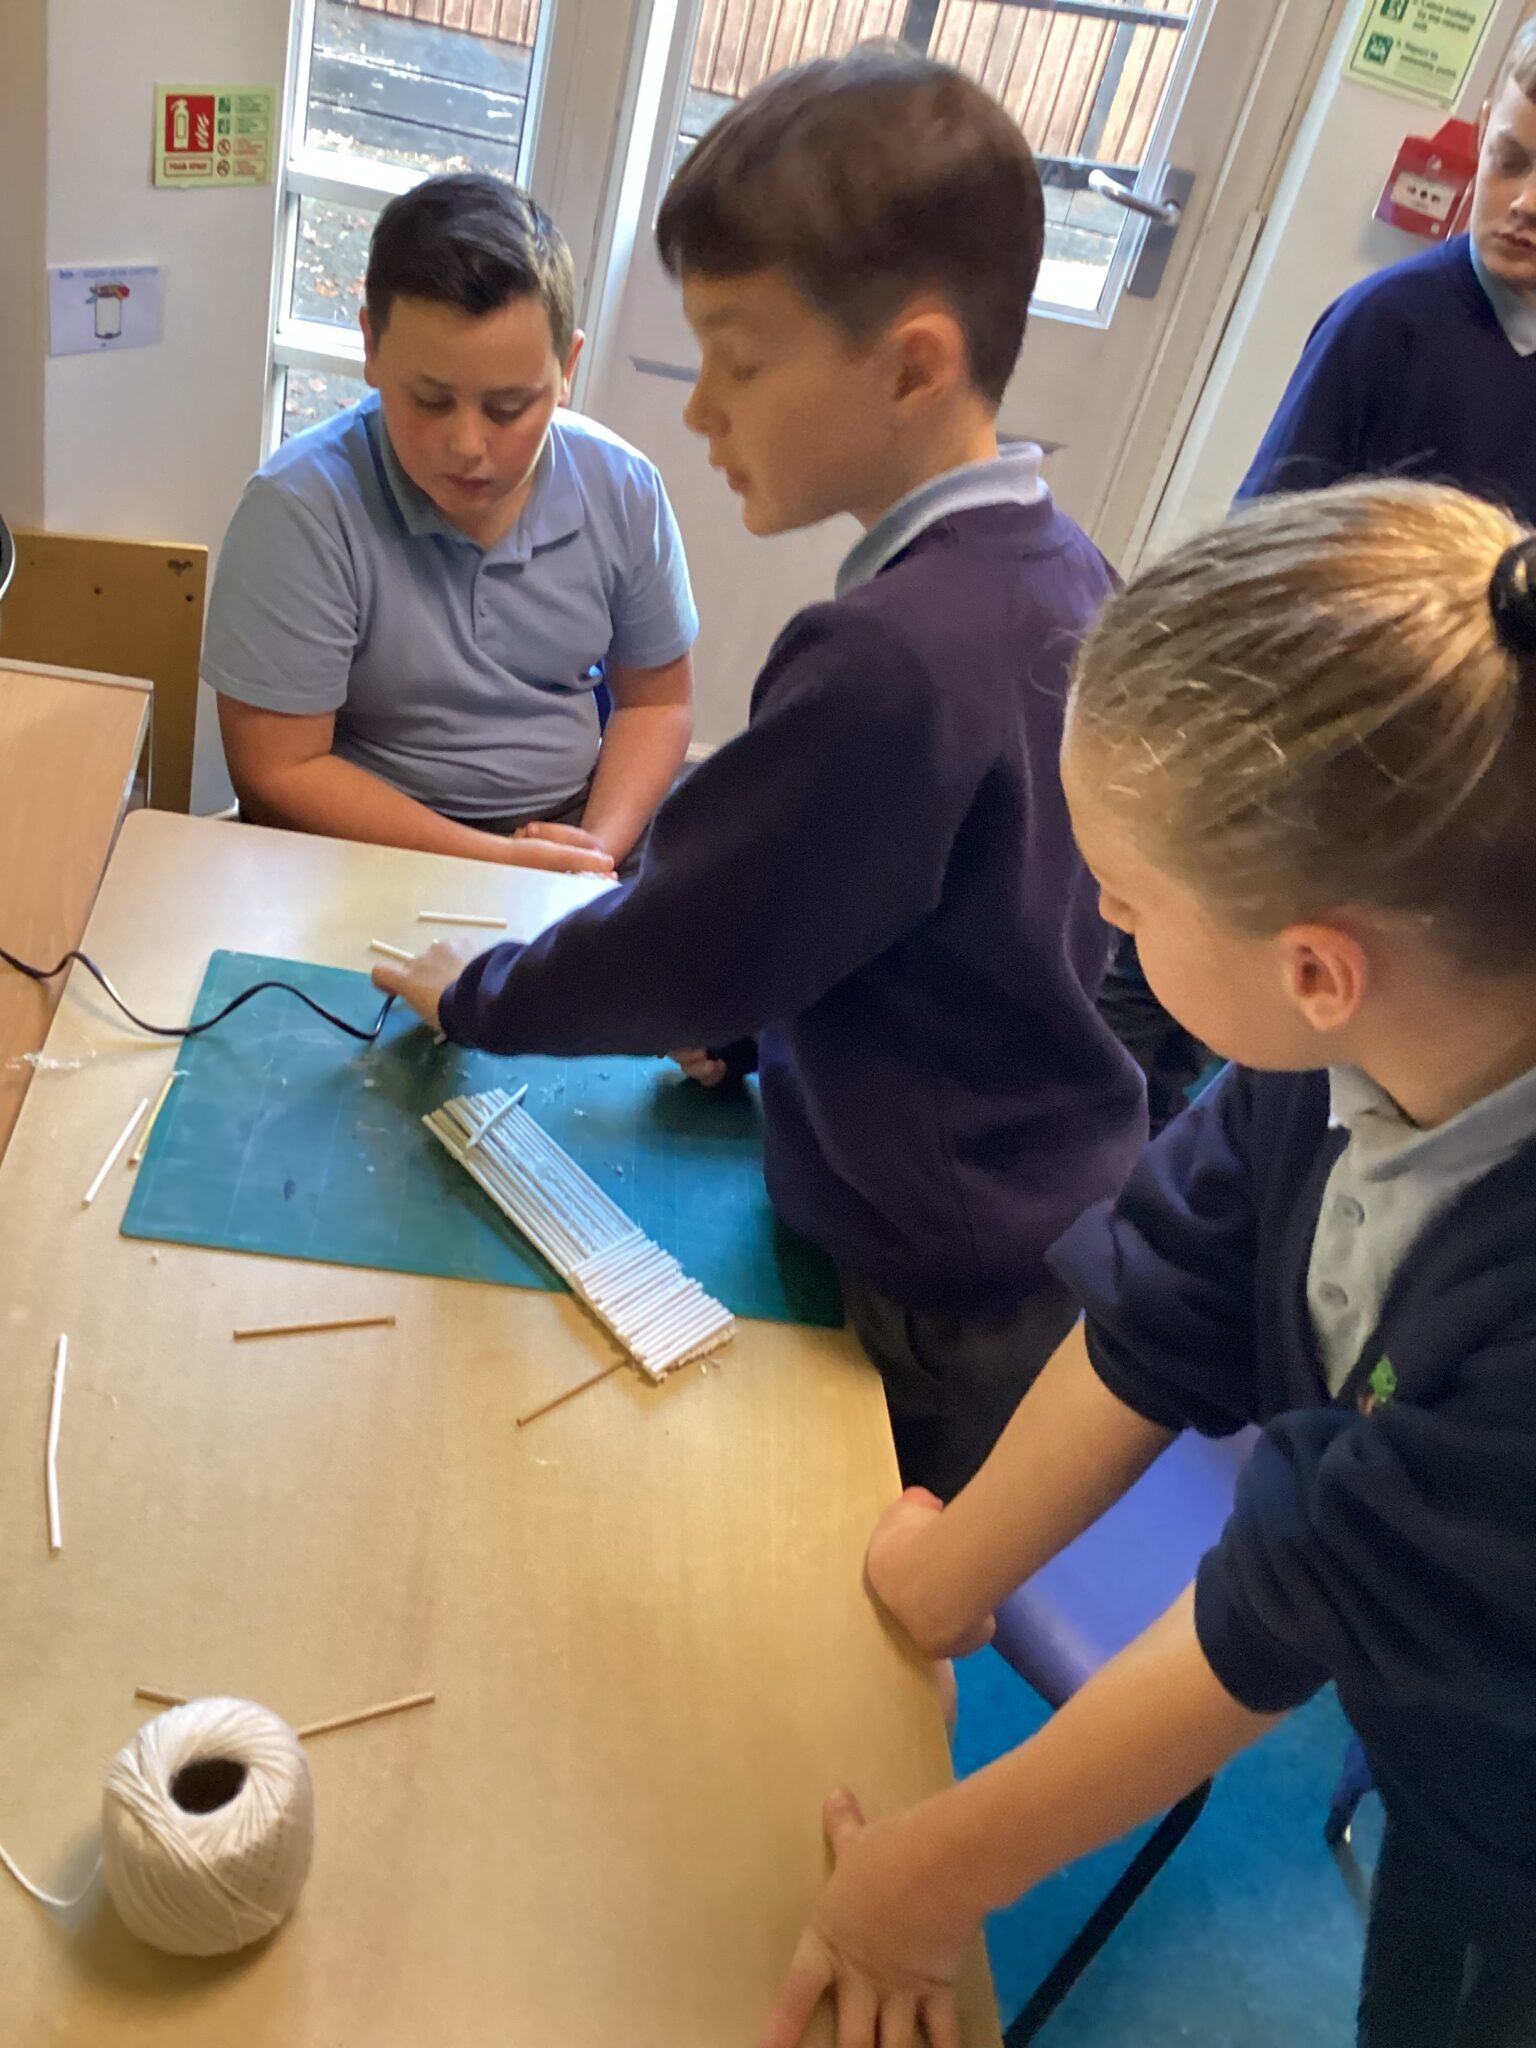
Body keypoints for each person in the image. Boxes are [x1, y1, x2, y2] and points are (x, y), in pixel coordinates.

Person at [754, 480, 1536, 2048]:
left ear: (1317, 966)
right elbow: (1167, 1305)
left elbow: (1280, 1613)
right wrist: (949, 1570)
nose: (1100, 915)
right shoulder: (1331, 1052)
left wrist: (923, 1878)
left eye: (1128, 892)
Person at [374, 51, 1146, 1500]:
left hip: (930, 1269)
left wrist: (474, 993)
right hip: (1035, 1198)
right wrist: (754, 1033)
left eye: (741, 357)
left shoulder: (885, 655)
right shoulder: (1059, 568)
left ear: (911, 364)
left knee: (840, 1615)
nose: (701, 410)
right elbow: (922, 900)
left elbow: (691, 934)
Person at [203, 175, 699, 878]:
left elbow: (658, 701)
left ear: (567, 369)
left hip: (570, 831)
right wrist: (500, 862)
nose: (468, 446)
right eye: (431, 400)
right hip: (361, 850)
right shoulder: (301, 509)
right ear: (370, 347)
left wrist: (595, 851)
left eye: (508, 408)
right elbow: (278, 771)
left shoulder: (624, 489)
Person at [1238, 21, 1536, 517]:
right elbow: (1254, 558)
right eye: (1508, 161)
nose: (1526, 203)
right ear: (1483, 135)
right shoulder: (1383, 324)